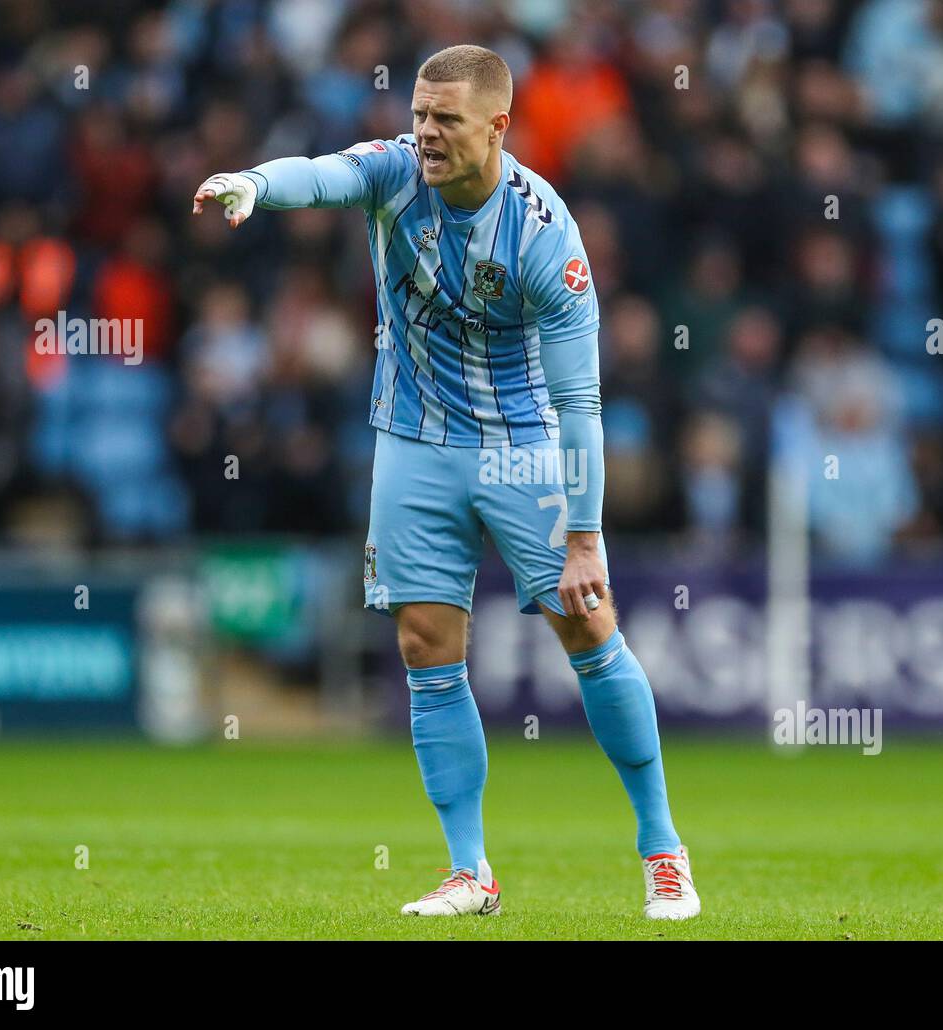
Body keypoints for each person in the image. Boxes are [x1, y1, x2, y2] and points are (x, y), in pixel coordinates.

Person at [192, 44, 699, 920]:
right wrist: (252, 183)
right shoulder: (394, 173)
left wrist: (585, 536)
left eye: (446, 119)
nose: (425, 132)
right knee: (427, 646)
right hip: (414, 444)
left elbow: (581, 402)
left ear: (498, 127)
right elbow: (318, 174)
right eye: (421, 114)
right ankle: (471, 871)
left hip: (523, 445)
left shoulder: (545, 234)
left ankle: (663, 850)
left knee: (588, 625)